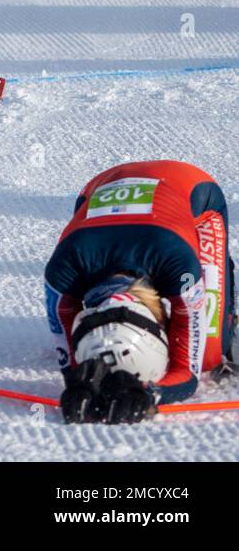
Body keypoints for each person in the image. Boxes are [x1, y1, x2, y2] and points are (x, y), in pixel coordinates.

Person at [45, 160, 235, 424]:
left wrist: (149, 393)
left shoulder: (180, 269)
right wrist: (82, 381)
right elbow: (73, 364)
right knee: (198, 336)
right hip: (102, 186)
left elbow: (188, 375)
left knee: (209, 355)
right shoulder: (61, 272)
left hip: (188, 186)